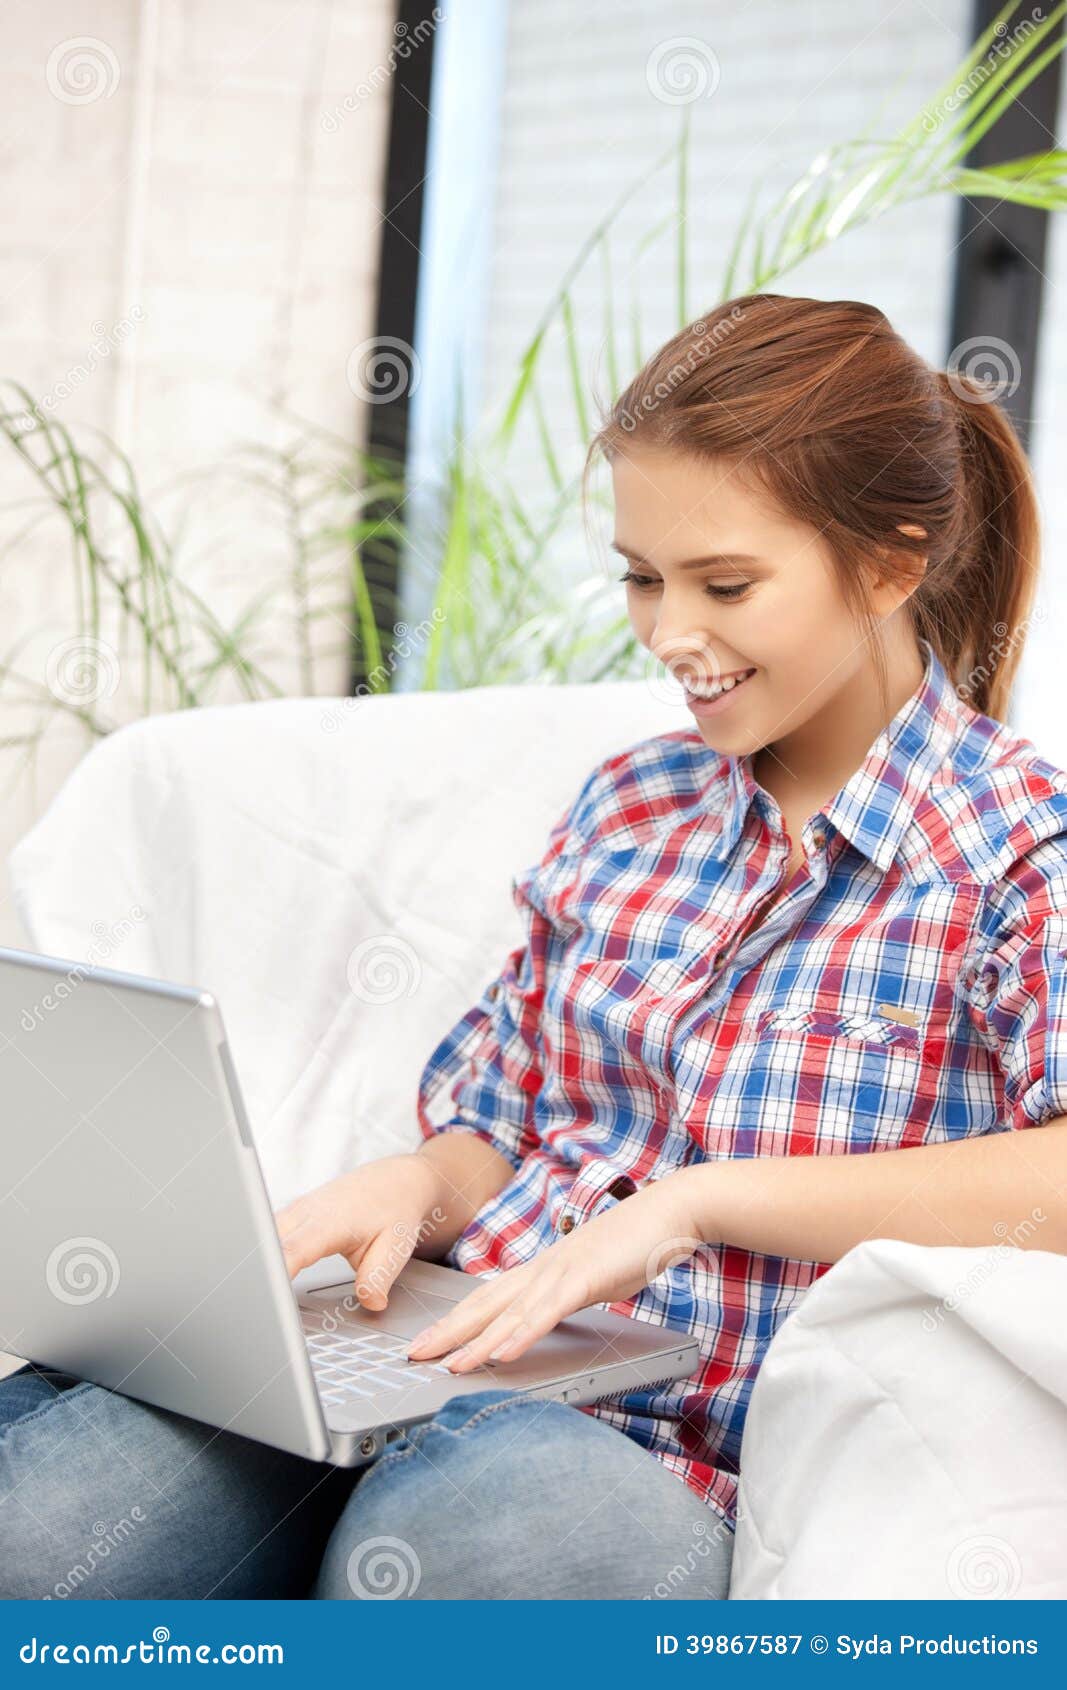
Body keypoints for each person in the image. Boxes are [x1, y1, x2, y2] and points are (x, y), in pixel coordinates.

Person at [2, 293, 1065, 1601]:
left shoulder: (1020, 849)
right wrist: (411, 1185)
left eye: (725, 583)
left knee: (450, 1573)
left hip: (653, 1456)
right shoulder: (632, 805)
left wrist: (698, 1201)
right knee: (44, 1538)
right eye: (641, 576)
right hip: (434, 1349)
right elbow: (506, 1119)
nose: (672, 633)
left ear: (891, 565)